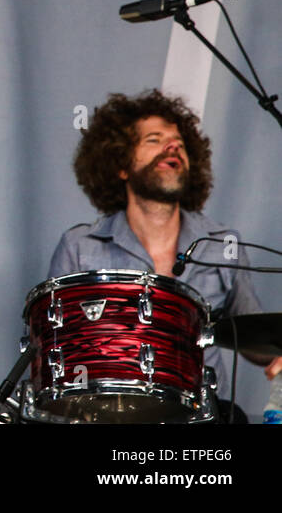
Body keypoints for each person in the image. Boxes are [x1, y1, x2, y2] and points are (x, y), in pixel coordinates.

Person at [49, 89, 282, 420]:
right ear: (121, 166)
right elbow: (55, 349)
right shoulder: (79, 246)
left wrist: (276, 353)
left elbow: (253, 335)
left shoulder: (222, 244)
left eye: (179, 143)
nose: (173, 146)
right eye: (154, 140)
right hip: (110, 416)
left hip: (205, 418)